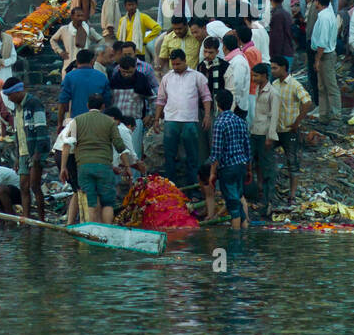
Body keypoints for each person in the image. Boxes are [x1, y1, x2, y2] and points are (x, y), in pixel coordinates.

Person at [69, 93, 130, 224]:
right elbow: (120, 146)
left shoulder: (77, 120)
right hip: (104, 166)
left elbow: (69, 145)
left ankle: (94, 230)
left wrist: (64, 167)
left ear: (87, 105)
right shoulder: (110, 122)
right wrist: (127, 166)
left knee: (92, 201)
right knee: (107, 202)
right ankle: (107, 229)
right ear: (103, 106)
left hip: (84, 166)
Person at [153, 51, 212, 188]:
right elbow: (161, 100)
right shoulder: (167, 78)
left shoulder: (197, 77)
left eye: (178, 64)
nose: (175, 67)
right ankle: (170, 188)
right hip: (170, 120)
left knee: (192, 156)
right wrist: (156, 119)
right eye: (173, 64)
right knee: (169, 156)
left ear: (185, 61)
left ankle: (193, 188)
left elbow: (206, 97)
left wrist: (207, 116)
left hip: (190, 120)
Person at [2, 77, 50, 220]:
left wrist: (37, 154)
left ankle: (41, 219)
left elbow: (41, 129)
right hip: (23, 152)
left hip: (35, 150)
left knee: (35, 186)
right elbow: (18, 133)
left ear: (17, 92)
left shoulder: (34, 103)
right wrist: (17, 156)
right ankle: (26, 218)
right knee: (23, 186)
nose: (9, 99)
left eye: (10, 95)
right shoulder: (16, 109)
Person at [270, 59, 312, 205]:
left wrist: (297, 122)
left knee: (292, 162)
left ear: (283, 68)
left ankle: (292, 196)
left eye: (275, 68)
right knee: (265, 156)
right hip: (276, 130)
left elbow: (307, 102)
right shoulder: (275, 84)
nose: (272, 71)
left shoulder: (294, 84)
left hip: (289, 130)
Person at [209, 88, 252, 229]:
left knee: (233, 206)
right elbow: (247, 148)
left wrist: (212, 173)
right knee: (238, 201)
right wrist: (249, 169)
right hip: (241, 166)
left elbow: (216, 151)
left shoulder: (219, 123)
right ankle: (244, 234)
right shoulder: (240, 121)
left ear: (217, 104)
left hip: (227, 168)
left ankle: (236, 238)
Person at [108, 55, 156, 159]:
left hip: (134, 123)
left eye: (130, 72)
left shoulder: (141, 79)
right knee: (116, 155)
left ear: (135, 68)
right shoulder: (114, 79)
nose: (126, 75)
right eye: (124, 72)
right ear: (119, 68)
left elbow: (152, 99)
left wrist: (150, 114)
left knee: (134, 154)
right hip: (116, 123)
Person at [249, 64, 280, 217]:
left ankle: (268, 201)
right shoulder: (256, 90)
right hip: (254, 131)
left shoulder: (273, 93)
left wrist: (270, 137)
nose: (254, 78)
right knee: (254, 165)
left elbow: (274, 116)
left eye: (256, 76)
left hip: (264, 134)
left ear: (264, 76)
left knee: (267, 168)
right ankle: (259, 195)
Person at [57, 48, 111, 130]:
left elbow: (63, 103)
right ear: (92, 61)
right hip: (98, 124)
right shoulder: (102, 77)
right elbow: (107, 102)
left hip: (77, 122)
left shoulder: (69, 77)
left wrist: (60, 124)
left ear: (77, 61)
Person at [312, 0, 342, 123]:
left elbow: (322, 42)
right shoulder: (327, 14)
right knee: (322, 87)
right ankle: (324, 115)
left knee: (330, 87)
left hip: (325, 55)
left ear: (318, 2)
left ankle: (335, 116)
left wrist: (317, 60)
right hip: (325, 54)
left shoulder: (324, 17)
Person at [221, 33, 250, 119]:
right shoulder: (234, 59)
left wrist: (232, 106)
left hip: (237, 106)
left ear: (224, 47)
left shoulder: (238, 61)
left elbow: (237, 85)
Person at [267, 0, 295, 68]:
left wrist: (275, 57)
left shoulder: (278, 15)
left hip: (281, 55)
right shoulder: (285, 13)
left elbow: (278, 38)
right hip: (287, 51)